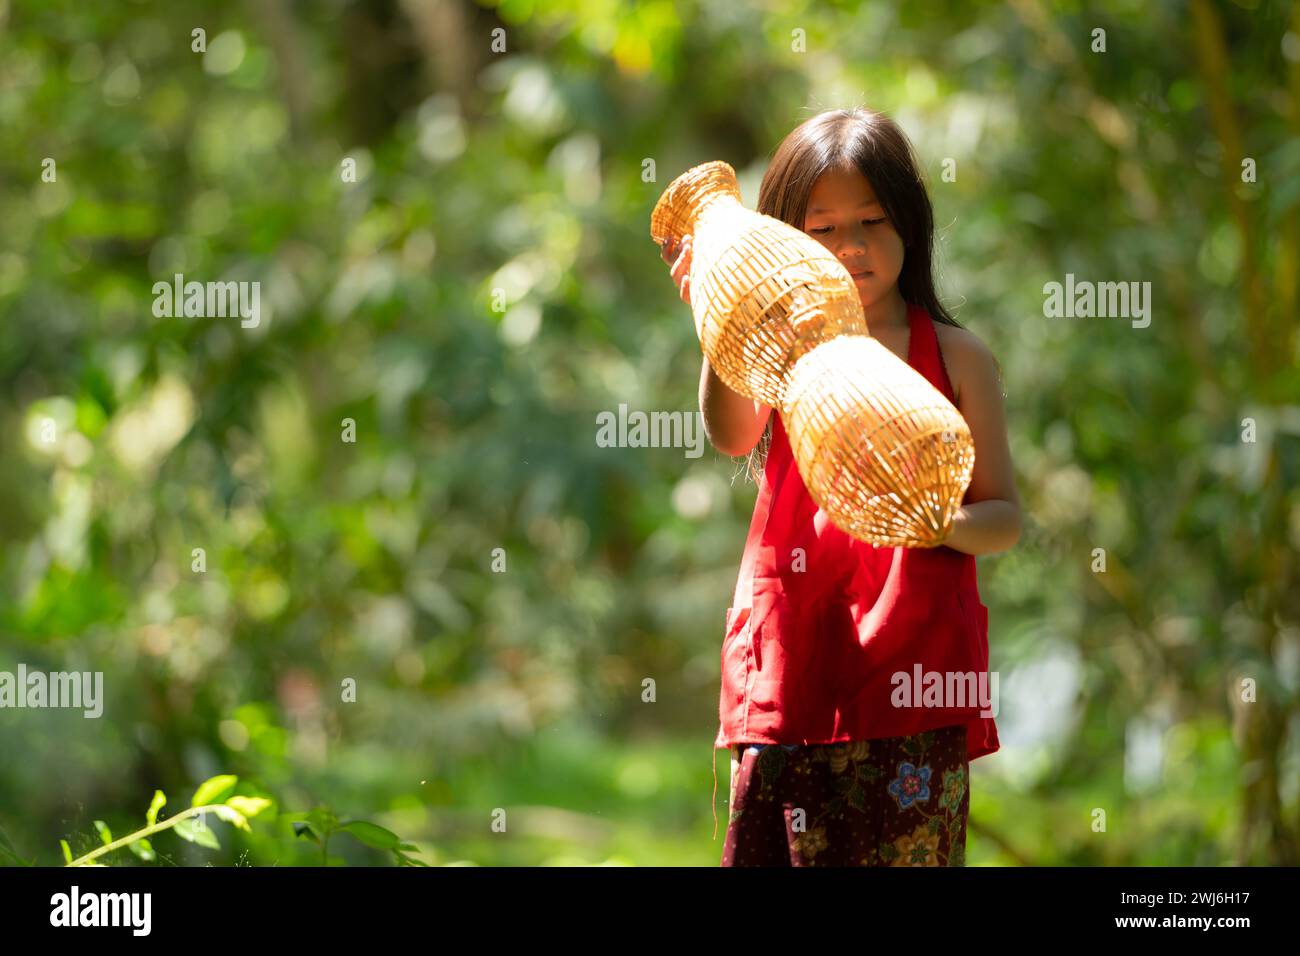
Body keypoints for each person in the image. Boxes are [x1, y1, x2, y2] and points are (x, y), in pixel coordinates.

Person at [661, 107, 1022, 866]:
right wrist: (716, 319)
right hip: (795, 663)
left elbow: (1002, 518)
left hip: (915, 675)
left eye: (872, 220)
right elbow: (730, 434)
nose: (851, 247)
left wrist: (935, 521)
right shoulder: (781, 353)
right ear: (784, 238)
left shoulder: (958, 357)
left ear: (911, 225)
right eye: (822, 229)